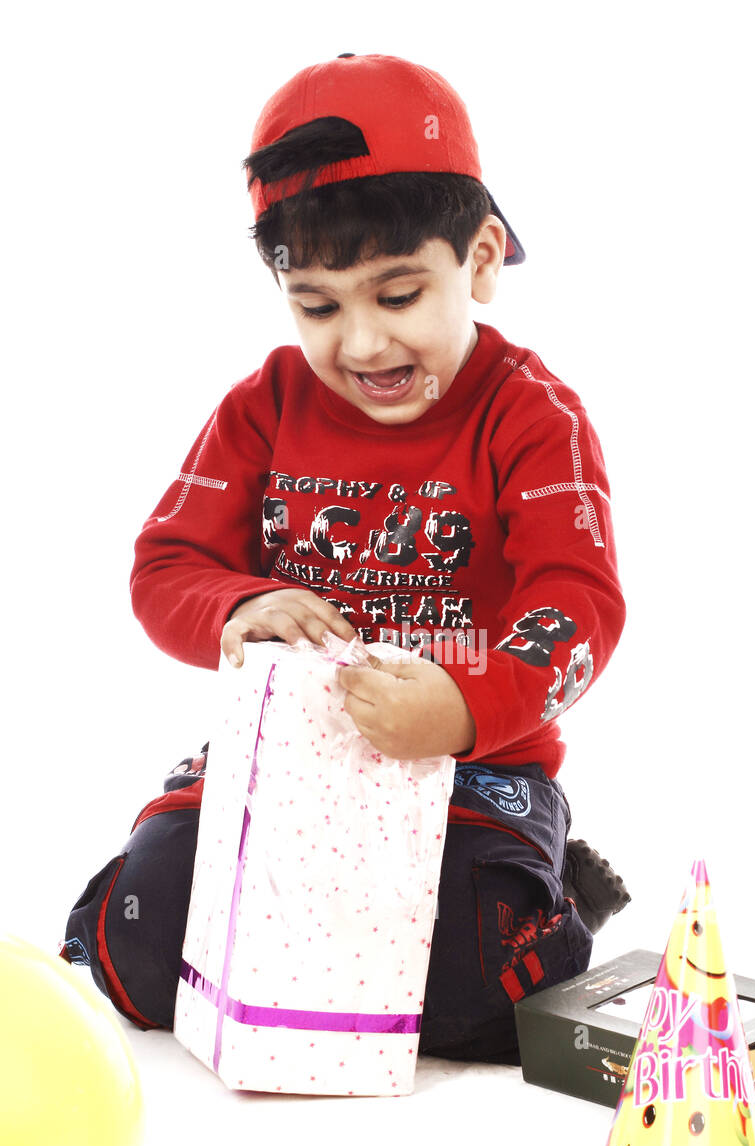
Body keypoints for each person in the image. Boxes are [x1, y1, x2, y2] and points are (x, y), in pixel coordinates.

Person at [63, 52, 629, 1064]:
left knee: (475, 1002)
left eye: (398, 294)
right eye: (318, 305)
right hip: (280, 763)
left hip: (473, 768)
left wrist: (463, 711)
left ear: (482, 257)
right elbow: (166, 567)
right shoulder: (263, 406)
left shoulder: (530, 416)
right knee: (143, 965)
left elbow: (576, 601)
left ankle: (555, 883)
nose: (362, 343)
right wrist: (237, 604)